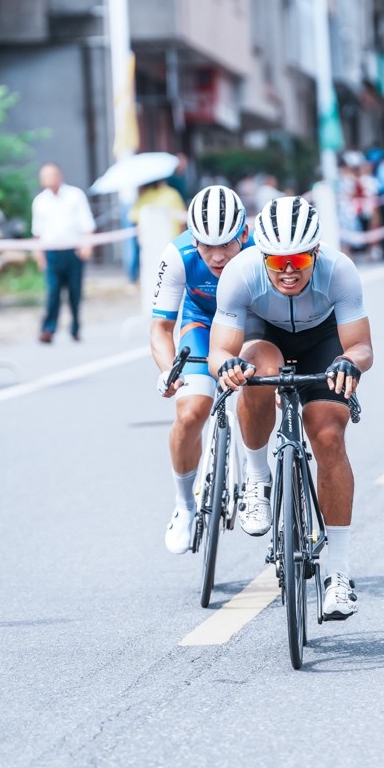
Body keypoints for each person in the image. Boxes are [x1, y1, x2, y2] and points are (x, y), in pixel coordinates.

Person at [209, 197, 374, 620]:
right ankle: (258, 479)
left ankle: (337, 575)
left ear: (315, 252)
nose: (286, 269)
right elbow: (219, 352)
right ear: (260, 255)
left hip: (323, 342)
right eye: (276, 260)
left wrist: (347, 363)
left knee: (327, 434)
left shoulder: (340, 271)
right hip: (264, 335)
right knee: (257, 368)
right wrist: (228, 367)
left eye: (298, 258)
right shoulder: (240, 273)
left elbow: (361, 346)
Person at [150, 185, 254, 554]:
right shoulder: (177, 255)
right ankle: (184, 505)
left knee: (260, 395)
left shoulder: (261, 252)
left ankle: (259, 479)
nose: (216, 256)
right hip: (201, 324)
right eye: (206, 245)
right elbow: (161, 328)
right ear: (193, 238)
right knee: (191, 411)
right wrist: (168, 370)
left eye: (226, 244)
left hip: (250, 323)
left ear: (244, 233)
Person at [31, 163, 96, 343]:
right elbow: (37, 231)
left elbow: (86, 223)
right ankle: (48, 328)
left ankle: (75, 326)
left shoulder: (75, 195)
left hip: (73, 250)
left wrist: (87, 245)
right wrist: (39, 254)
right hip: (52, 252)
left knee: (74, 292)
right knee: (53, 292)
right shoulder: (40, 201)